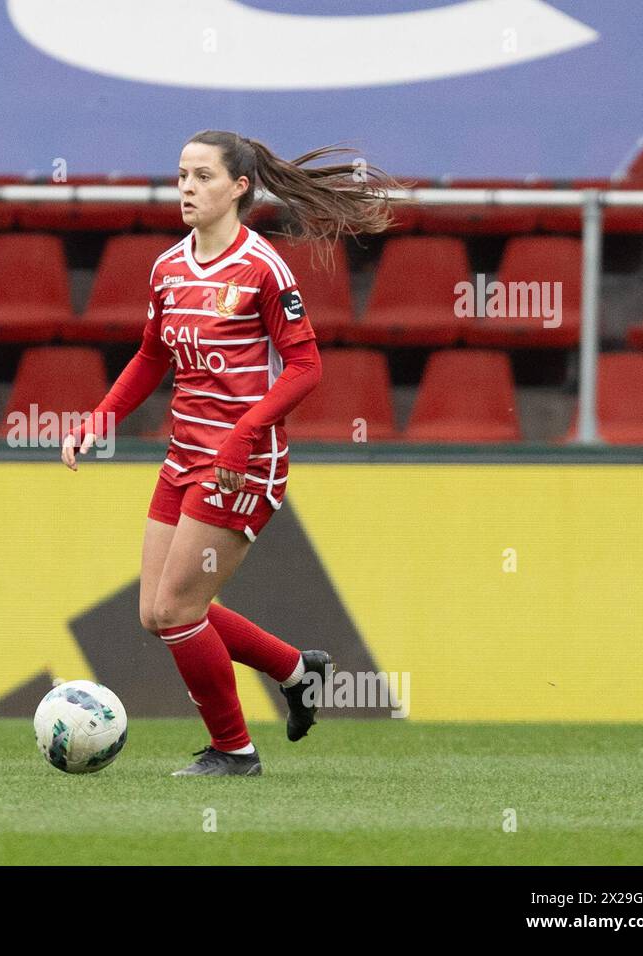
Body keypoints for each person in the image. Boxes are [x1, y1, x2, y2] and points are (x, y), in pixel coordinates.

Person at [62, 129, 397, 776]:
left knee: (175, 610)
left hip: (244, 462)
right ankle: (297, 671)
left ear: (240, 188)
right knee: (156, 614)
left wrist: (245, 433)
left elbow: (306, 367)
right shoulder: (168, 268)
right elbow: (152, 356)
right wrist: (99, 418)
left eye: (203, 176)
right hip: (184, 454)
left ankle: (235, 751)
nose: (187, 187)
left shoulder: (262, 268)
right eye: (182, 174)